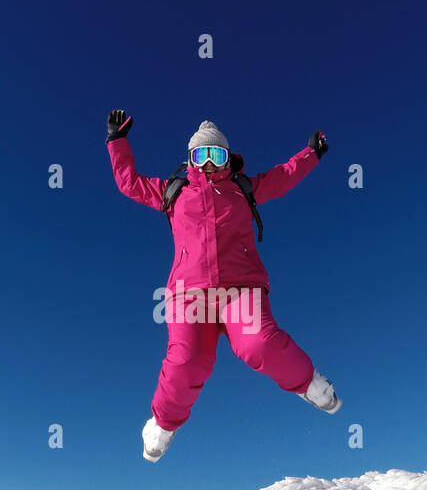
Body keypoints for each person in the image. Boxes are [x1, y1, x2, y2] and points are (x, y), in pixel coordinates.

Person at [106, 110, 341, 461]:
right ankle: (163, 424)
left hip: (240, 288)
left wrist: (312, 153)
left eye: (217, 155)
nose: (209, 164)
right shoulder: (173, 192)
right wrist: (117, 141)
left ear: (228, 158)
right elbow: (129, 182)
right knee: (187, 361)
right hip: (189, 293)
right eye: (201, 156)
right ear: (190, 160)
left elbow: (285, 176)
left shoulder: (244, 188)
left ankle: (309, 384)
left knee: (259, 343)